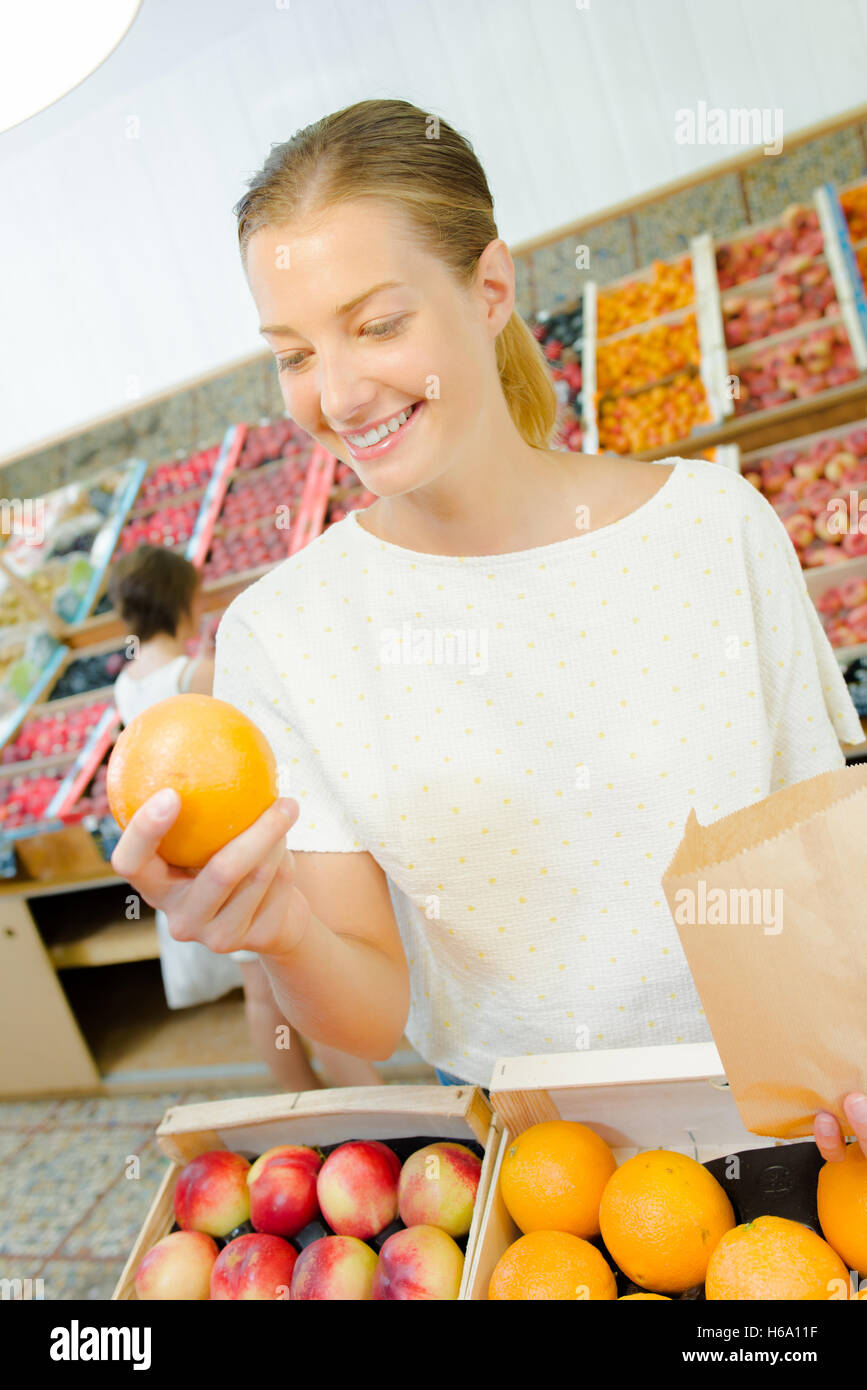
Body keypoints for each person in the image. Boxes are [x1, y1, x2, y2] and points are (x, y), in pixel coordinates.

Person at [110, 98, 867, 1160]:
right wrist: (276, 929)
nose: (334, 392)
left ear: (490, 289)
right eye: (291, 352)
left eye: (376, 324)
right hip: (535, 1169)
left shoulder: (715, 527)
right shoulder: (285, 637)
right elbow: (371, 1011)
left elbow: (825, 861)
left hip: (801, 1117)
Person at [107, 544, 381, 1091]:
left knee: (262, 995)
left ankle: (305, 1101)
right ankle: (367, 1102)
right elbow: (254, 736)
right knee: (308, 978)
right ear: (181, 601)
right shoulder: (194, 672)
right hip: (240, 836)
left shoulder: (126, 682)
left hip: (192, 851)